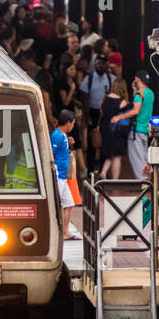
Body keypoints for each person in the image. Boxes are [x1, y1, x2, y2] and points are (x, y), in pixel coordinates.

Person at [113, 70, 155, 180]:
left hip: (136, 131)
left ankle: (143, 185)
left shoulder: (139, 94)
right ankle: (148, 183)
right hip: (146, 130)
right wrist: (134, 90)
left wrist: (119, 117)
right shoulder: (150, 93)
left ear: (137, 79)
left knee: (137, 159)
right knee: (145, 158)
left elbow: (136, 111)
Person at [51, 109, 81, 240]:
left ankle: (65, 232)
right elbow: (51, 154)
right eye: (73, 123)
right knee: (59, 204)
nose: (73, 126)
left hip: (62, 177)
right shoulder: (57, 136)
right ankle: (59, 231)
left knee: (68, 203)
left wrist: (68, 144)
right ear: (68, 123)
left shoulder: (62, 136)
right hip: (58, 176)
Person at [99, 77, 131, 178]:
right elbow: (128, 114)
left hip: (104, 129)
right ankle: (115, 181)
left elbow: (101, 112)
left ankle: (103, 172)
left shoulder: (105, 98)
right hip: (116, 131)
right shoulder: (122, 102)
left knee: (110, 154)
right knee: (117, 156)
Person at [79, 54, 115, 127]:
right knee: (94, 134)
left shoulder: (112, 79)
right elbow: (85, 99)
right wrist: (87, 116)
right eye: (99, 63)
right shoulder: (88, 79)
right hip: (93, 111)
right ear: (95, 64)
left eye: (103, 63)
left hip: (107, 112)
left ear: (107, 65)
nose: (101, 65)